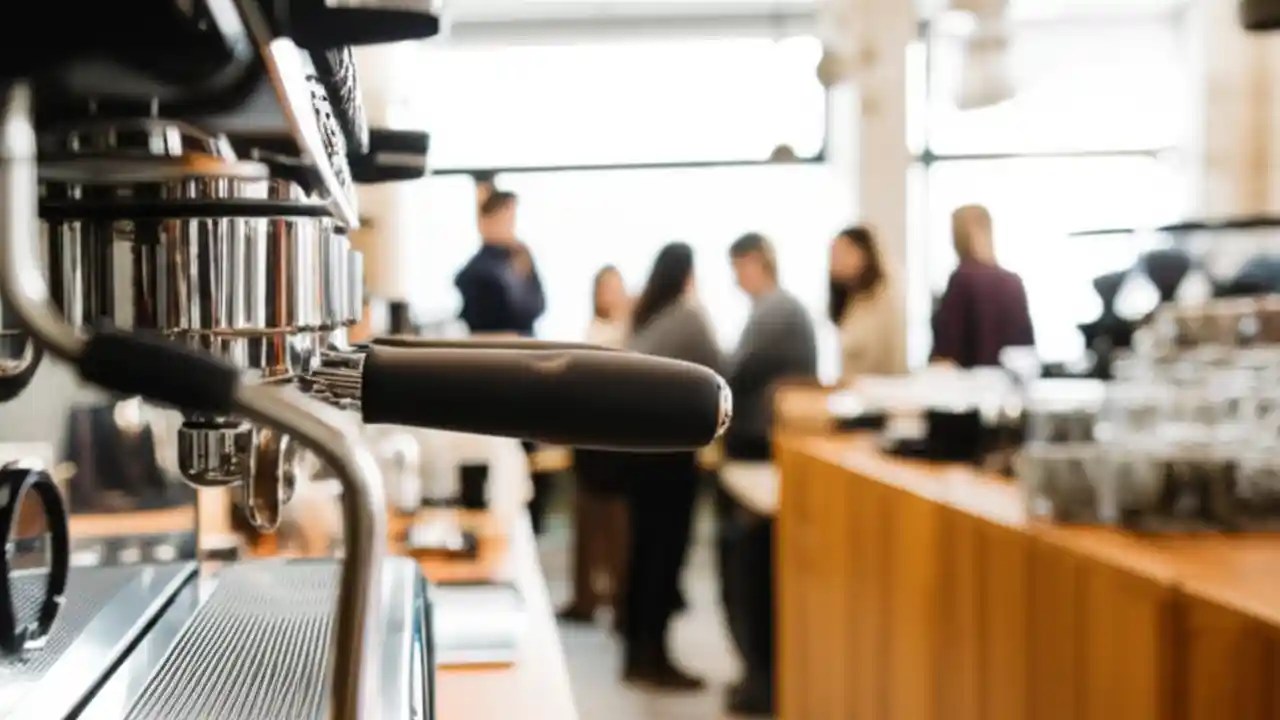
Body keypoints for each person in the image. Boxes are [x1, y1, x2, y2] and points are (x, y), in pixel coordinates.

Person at [719, 233, 816, 716]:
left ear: (757, 263)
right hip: (762, 448)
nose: (735, 278)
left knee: (751, 567)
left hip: (764, 452)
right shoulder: (773, 310)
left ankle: (762, 677)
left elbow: (734, 372)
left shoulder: (778, 311)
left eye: (739, 267)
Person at [622, 242, 722, 690]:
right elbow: (722, 377)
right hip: (671, 461)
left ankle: (638, 653)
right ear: (688, 274)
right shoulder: (689, 316)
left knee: (643, 556)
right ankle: (654, 657)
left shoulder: (648, 318)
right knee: (665, 559)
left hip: (640, 458)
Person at [559, 266, 632, 625]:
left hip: (617, 441)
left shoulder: (631, 332)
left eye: (615, 288)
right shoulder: (593, 330)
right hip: (590, 439)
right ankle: (585, 598)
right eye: (605, 288)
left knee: (617, 527)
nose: (610, 295)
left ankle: (619, 599)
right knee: (587, 523)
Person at [931, 204, 1035, 367]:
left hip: (968, 385)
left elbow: (948, 349)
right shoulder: (1013, 282)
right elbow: (1025, 348)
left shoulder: (961, 279)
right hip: (1006, 384)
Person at [454, 190, 545, 337]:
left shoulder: (521, 258)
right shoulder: (476, 270)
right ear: (487, 221)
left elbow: (538, 305)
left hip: (524, 340)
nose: (510, 226)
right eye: (504, 218)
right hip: (494, 345)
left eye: (512, 219)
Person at [829, 225, 905, 379]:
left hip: (880, 395)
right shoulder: (851, 302)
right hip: (854, 394)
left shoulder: (885, 299)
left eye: (843, 253)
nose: (835, 261)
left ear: (865, 254)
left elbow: (896, 363)